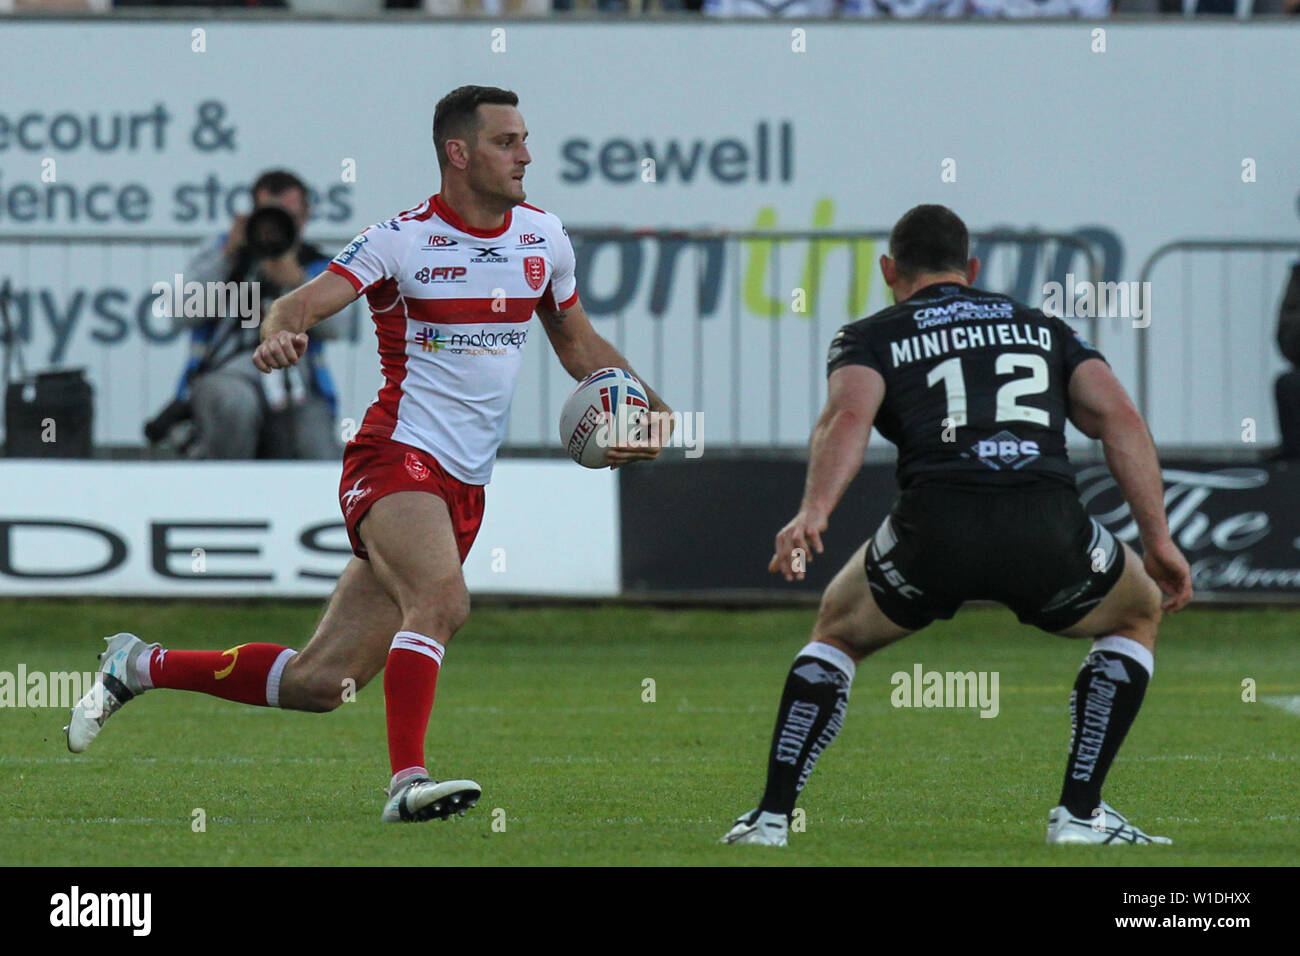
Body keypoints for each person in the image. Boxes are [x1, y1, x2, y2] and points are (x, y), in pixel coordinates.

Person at [67, 86, 672, 823]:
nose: (526, 155)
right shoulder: (402, 240)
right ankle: (406, 783)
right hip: (394, 458)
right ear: (459, 152)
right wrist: (280, 331)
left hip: (464, 488)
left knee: (322, 682)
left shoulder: (544, 238)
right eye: (507, 142)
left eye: (524, 139)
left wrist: (656, 411)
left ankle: (140, 665)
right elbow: (298, 303)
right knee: (442, 602)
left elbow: (578, 346)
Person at [720, 204, 1193, 848]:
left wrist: (815, 511)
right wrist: (1159, 540)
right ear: (971, 269)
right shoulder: (1044, 328)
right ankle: (1080, 816)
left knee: (836, 634)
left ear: (890, 269)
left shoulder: (870, 335)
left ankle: (771, 820)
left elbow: (848, 419)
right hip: (1046, 525)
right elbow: (1120, 420)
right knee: (1135, 614)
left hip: (936, 528)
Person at [168, 170, 341, 460]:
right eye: (269, 215)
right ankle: (224, 498)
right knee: (236, 404)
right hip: (225, 373)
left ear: (305, 217)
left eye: (289, 216)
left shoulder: (315, 263)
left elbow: (340, 327)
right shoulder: (223, 252)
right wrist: (228, 257)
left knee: (316, 438)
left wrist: (297, 281)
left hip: (297, 384)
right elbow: (179, 314)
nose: (278, 225)